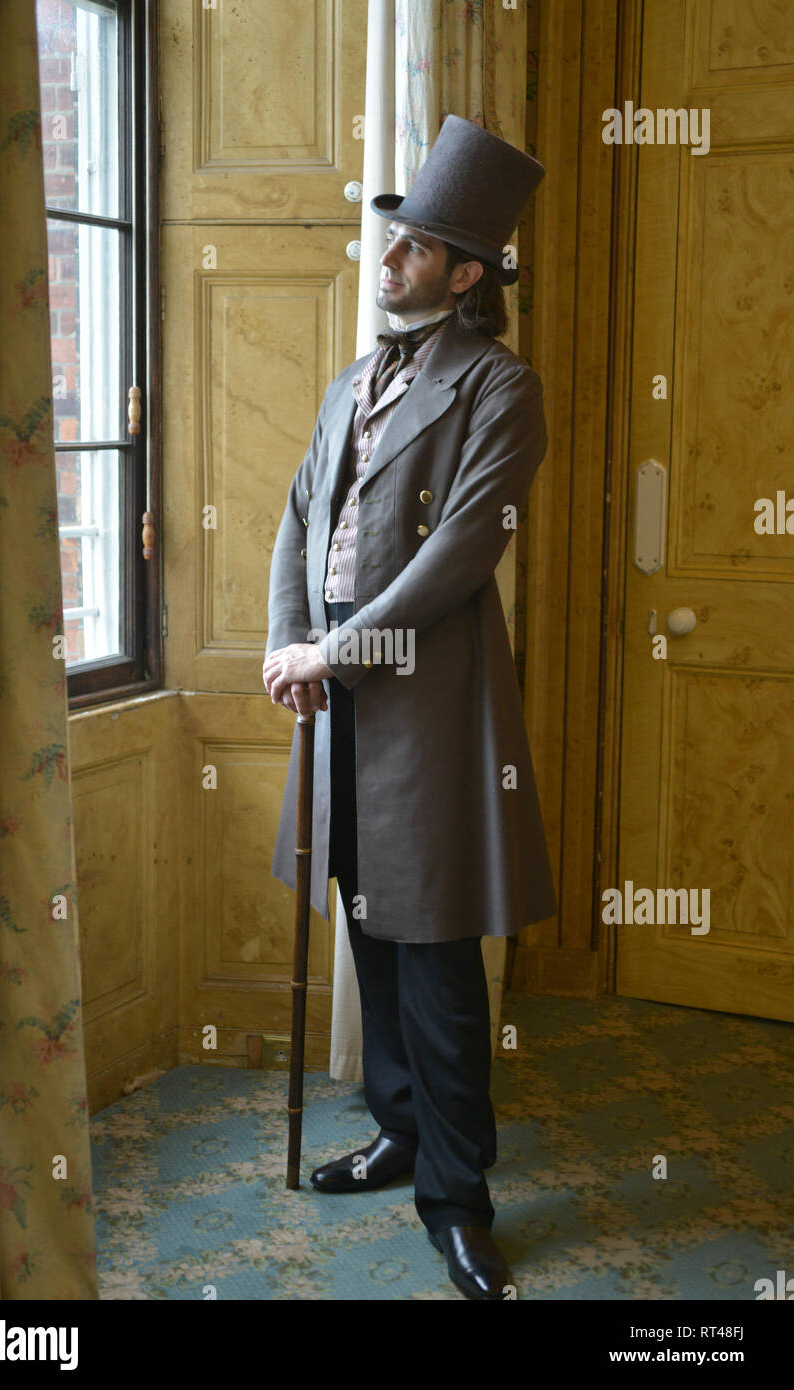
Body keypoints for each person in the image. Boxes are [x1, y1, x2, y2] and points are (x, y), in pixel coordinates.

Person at [262, 116, 557, 1300]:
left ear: (467, 271)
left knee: (434, 953)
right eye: (391, 240)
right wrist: (293, 639)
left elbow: (461, 557)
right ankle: (396, 1131)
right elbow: (297, 516)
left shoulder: (501, 387)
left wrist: (330, 650)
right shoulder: (350, 383)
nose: (386, 258)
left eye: (414, 246)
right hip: (333, 700)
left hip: (429, 710)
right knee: (368, 933)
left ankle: (459, 1200)